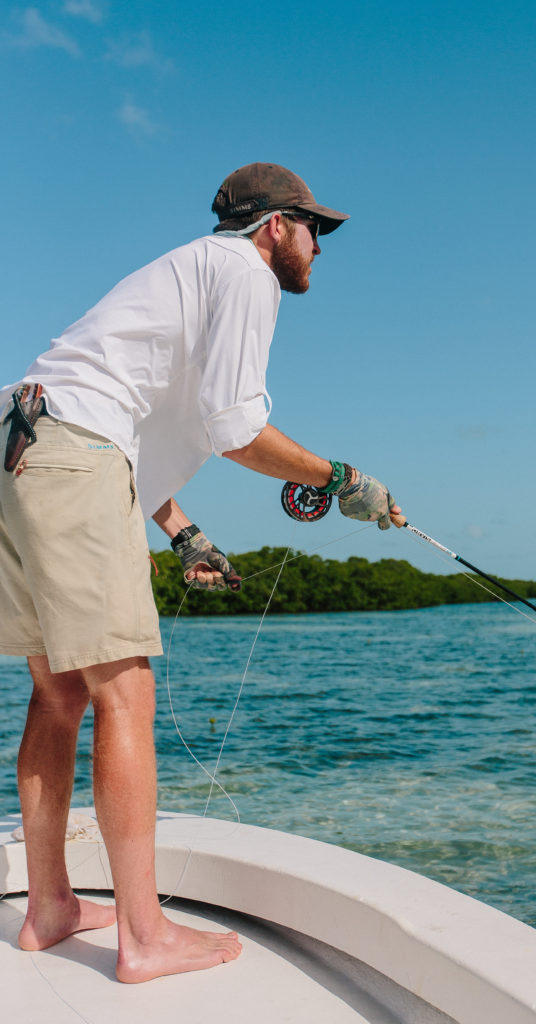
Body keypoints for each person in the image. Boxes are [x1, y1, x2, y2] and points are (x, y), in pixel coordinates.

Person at [0, 162, 402, 983]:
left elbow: (121, 432)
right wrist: (342, 479)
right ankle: (144, 936)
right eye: (312, 228)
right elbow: (236, 429)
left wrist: (182, 533)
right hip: (68, 455)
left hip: (18, 443)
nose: (319, 248)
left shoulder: (181, 279)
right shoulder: (242, 273)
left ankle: (51, 908)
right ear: (273, 227)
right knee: (124, 693)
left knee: (59, 691)